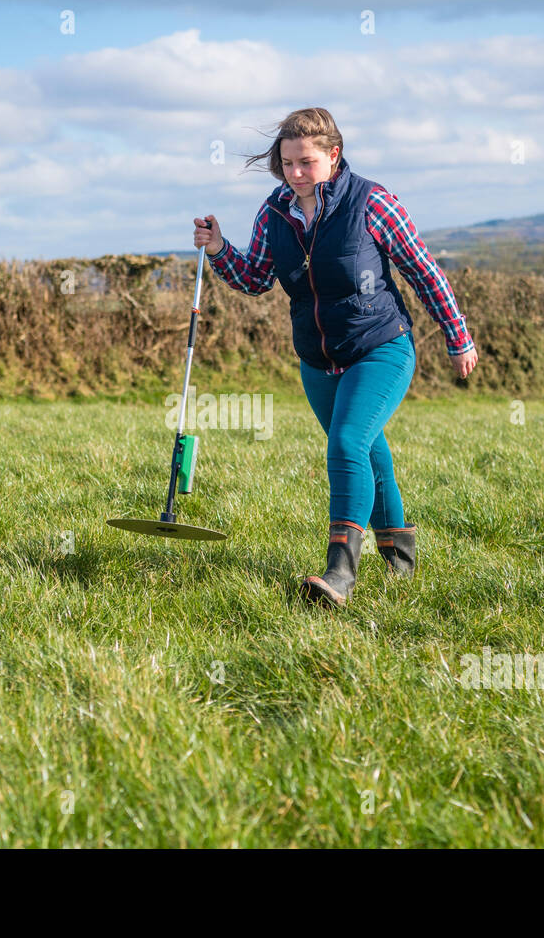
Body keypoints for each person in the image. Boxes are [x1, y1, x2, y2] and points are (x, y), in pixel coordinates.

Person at [192, 107, 478, 607]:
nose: (296, 173)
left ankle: (339, 574)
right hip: (317, 360)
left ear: (334, 155)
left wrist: (458, 338)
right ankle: (402, 560)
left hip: (380, 347)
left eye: (306, 162)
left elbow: (424, 271)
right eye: (287, 163)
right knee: (368, 451)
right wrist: (219, 249)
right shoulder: (273, 212)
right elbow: (256, 279)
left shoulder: (372, 202)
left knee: (346, 443)